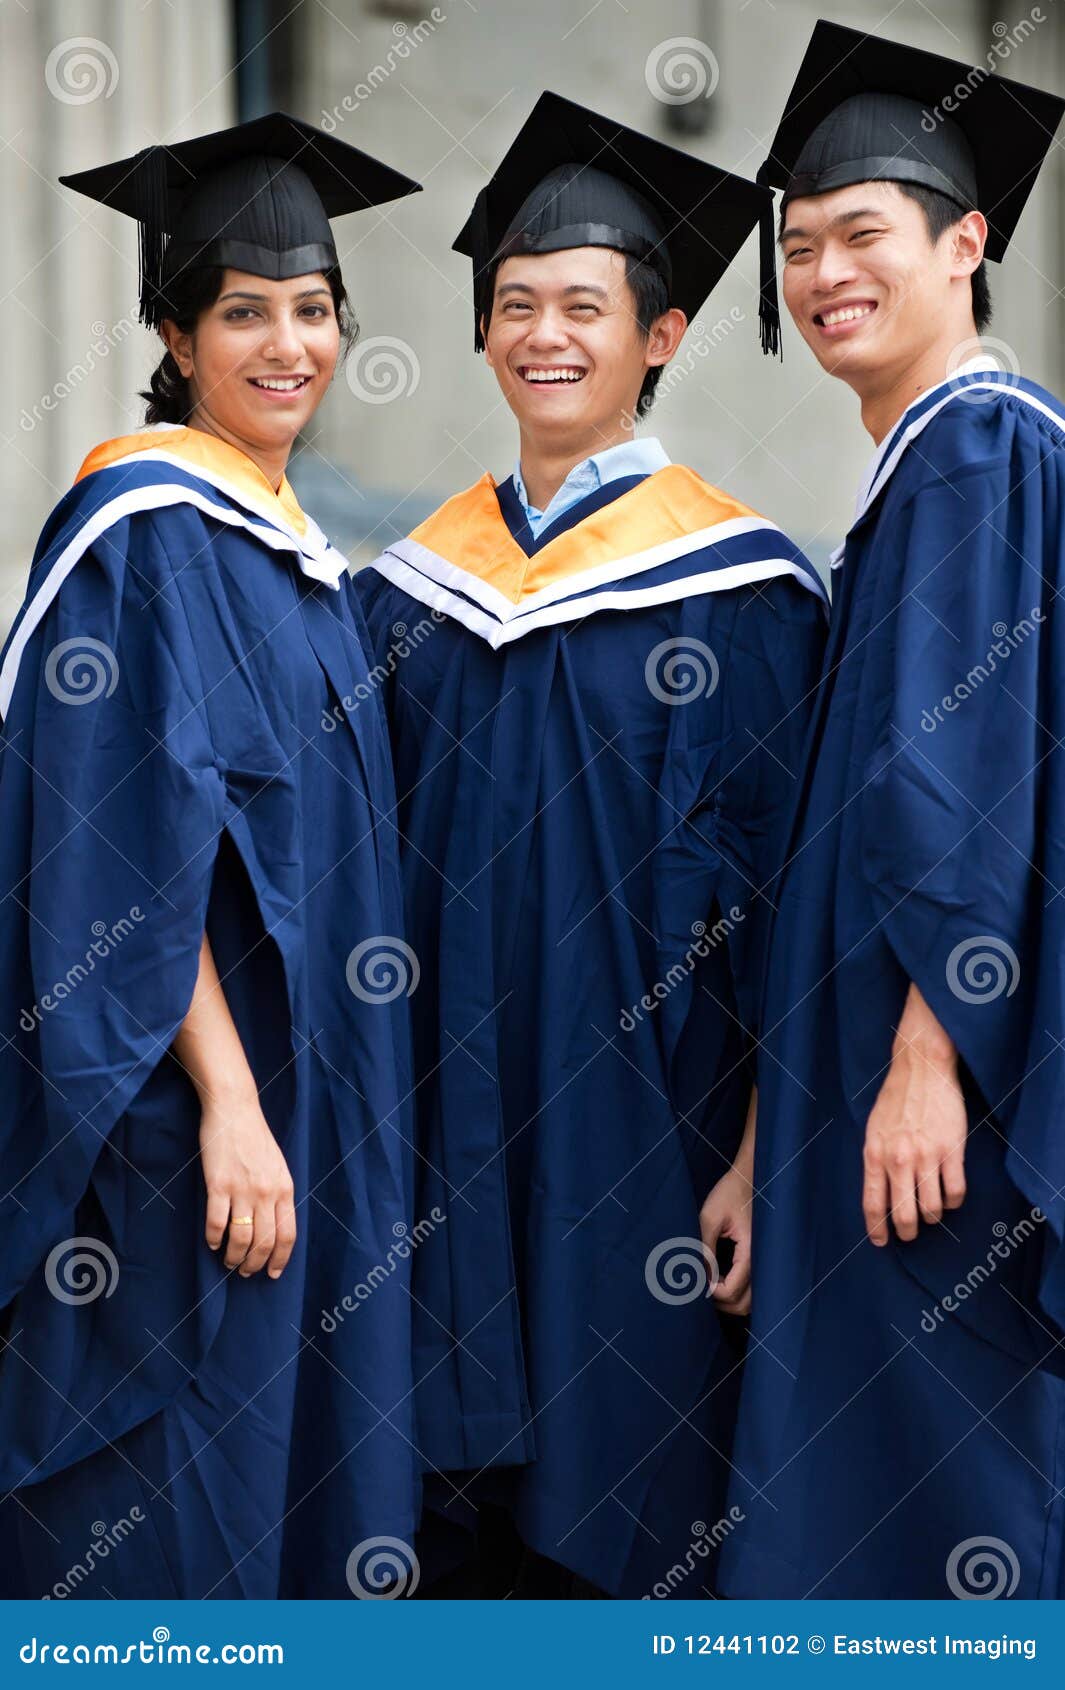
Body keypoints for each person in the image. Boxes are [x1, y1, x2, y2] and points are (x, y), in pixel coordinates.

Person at [355, 91, 827, 1598]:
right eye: (513, 303)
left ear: (661, 335)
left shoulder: (746, 593)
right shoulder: (408, 593)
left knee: (630, 1502)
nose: (542, 333)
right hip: (433, 1143)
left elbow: (794, 905)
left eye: (581, 303)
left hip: (649, 1152)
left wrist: (764, 1151)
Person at [0, 113, 423, 1599]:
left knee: (292, 1495)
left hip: (305, 1135)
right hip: (184, 1137)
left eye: (312, 311)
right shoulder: (140, 535)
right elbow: (115, 850)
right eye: (244, 311)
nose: (288, 344)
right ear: (174, 336)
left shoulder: (293, 558)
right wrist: (234, 1101)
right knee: (177, 1507)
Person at [718, 22, 1065, 1599]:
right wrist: (754, 1144)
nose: (822, 271)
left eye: (863, 234)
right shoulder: (928, 466)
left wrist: (928, 1055)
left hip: (924, 1087)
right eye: (798, 246)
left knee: (931, 1487)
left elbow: (969, 779)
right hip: (847, 1086)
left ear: (966, 241)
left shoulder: (975, 446)